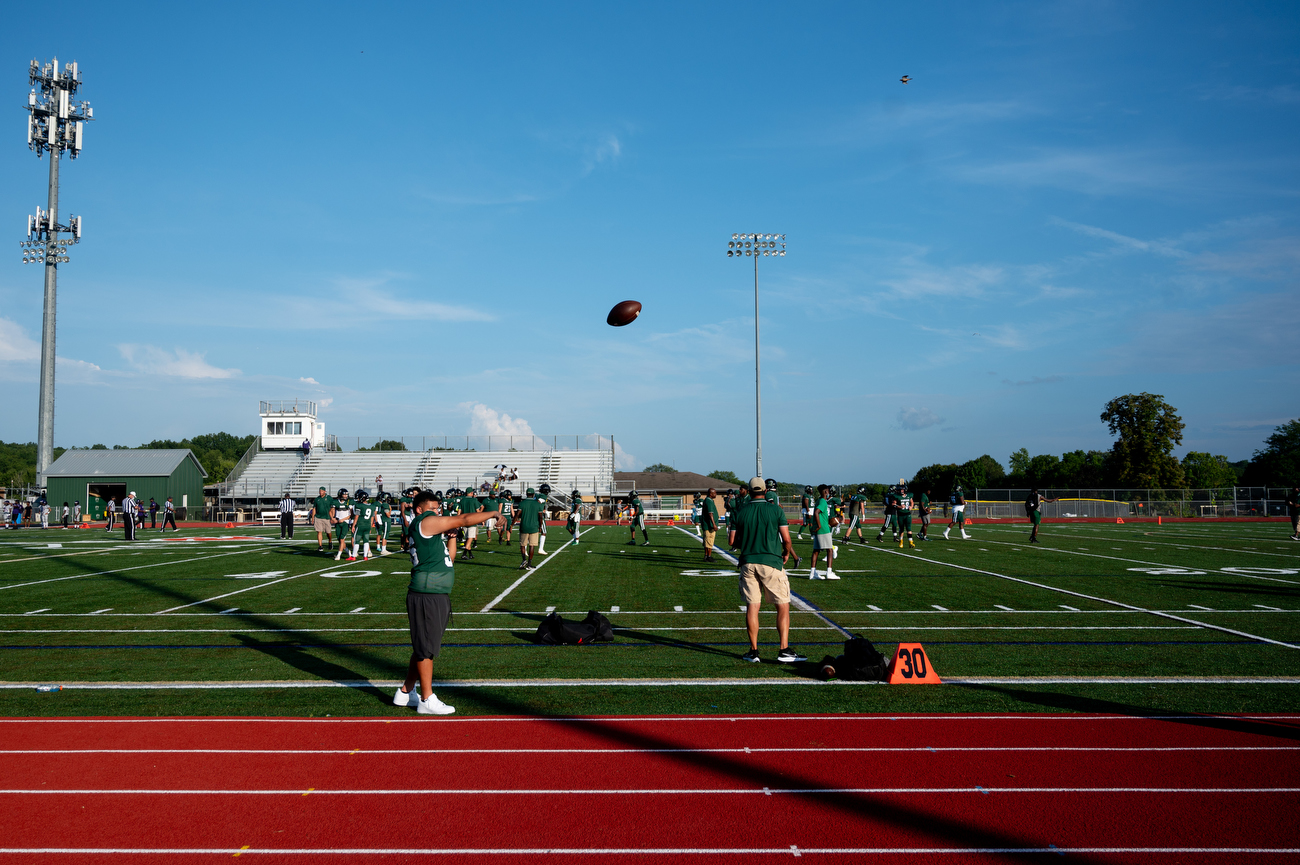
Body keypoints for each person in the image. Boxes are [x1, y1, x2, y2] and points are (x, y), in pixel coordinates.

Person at [392, 489, 499, 716]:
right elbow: (463, 519)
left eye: (438, 508)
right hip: (426, 593)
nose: (437, 512)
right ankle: (426, 698)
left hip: (434, 592)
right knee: (425, 649)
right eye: (433, 508)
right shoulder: (425, 522)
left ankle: (405, 691)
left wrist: (451, 538)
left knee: (424, 644)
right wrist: (493, 514)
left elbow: (449, 558)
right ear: (419, 510)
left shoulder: (429, 527)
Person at [729, 476, 805, 664]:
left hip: (748, 562)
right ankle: (783, 650)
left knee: (752, 607)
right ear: (765, 490)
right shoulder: (775, 510)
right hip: (771, 561)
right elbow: (786, 540)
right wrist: (786, 554)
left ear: (748, 490)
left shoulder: (741, 511)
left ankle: (754, 651)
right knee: (782, 605)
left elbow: (732, 542)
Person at [808, 484, 838, 580]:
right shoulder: (823, 501)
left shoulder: (818, 501)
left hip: (819, 529)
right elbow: (816, 512)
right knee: (830, 550)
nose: (829, 493)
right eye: (828, 491)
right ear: (825, 491)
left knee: (816, 551)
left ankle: (812, 573)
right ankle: (829, 572)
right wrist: (820, 525)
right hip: (823, 529)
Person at [515, 486, 545, 570]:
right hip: (534, 527)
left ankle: (524, 560)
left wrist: (511, 525)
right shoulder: (537, 504)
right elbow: (540, 517)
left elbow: (517, 515)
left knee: (523, 545)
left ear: (526, 494)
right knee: (532, 545)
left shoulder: (522, 503)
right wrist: (540, 526)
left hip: (524, 526)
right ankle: (529, 563)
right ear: (533, 494)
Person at [351, 490, 378, 560]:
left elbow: (356, 516)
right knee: (366, 541)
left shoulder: (359, 505)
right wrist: (371, 526)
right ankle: (365, 556)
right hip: (368, 525)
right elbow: (372, 517)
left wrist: (353, 525)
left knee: (357, 541)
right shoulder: (372, 506)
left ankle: (353, 556)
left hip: (360, 525)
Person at [458, 488, 482, 560]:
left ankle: (470, 554)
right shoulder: (474, 500)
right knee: (470, 538)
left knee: (468, 538)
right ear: (471, 493)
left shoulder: (462, 500)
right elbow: (478, 511)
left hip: (464, 521)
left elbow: (459, 512)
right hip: (472, 521)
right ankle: (464, 554)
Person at [331, 488, 354, 561]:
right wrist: (332, 518)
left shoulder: (348, 502)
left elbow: (351, 514)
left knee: (341, 539)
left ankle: (338, 555)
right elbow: (331, 511)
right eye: (344, 494)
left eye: (346, 494)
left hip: (345, 523)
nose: (345, 496)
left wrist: (343, 519)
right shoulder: (335, 502)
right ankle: (348, 551)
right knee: (339, 539)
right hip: (338, 522)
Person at [310, 486, 333, 552]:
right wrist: (313, 518)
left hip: (327, 517)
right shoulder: (317, 499)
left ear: (325, 491)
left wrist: (332, 516)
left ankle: (330, 541)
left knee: (328, 532)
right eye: (320, 491)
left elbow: (332, 507)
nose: (320, 492)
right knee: (319, 531)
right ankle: (320, 546)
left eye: (322, 491)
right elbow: (314, 508)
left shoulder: (329, 498)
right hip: (318, 517)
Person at [700, 487, 720, 562]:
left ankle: (706, 556)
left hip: (707, 525)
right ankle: (709, 556)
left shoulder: (708, 500)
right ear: (711, 494)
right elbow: (710, 513)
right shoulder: (709, 501)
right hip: (709, 525)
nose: (716, 494)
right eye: (714, 493)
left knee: (707, 541)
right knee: (709, 541)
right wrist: (714, 524)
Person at [895, 480, 917, 549]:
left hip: (908, 514)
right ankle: (901, 541)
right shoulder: (897, 496)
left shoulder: (909, 495)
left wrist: (911, 506)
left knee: (909, 529)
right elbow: (893, 504)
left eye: (902, 489)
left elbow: (912, 502)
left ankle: (911, 542)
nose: (901, 491)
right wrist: (899, 506)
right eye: (900, 489)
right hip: (900, 514)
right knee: (901, 529)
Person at [536, 484, 552, 555]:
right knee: (544, 532)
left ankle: (525, 549)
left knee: (531, 532)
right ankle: (541, 549)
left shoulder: (537, 495)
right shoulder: (543, 496)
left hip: (534, 514)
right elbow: (538, 502)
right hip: (539, 515)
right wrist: (542, 511)